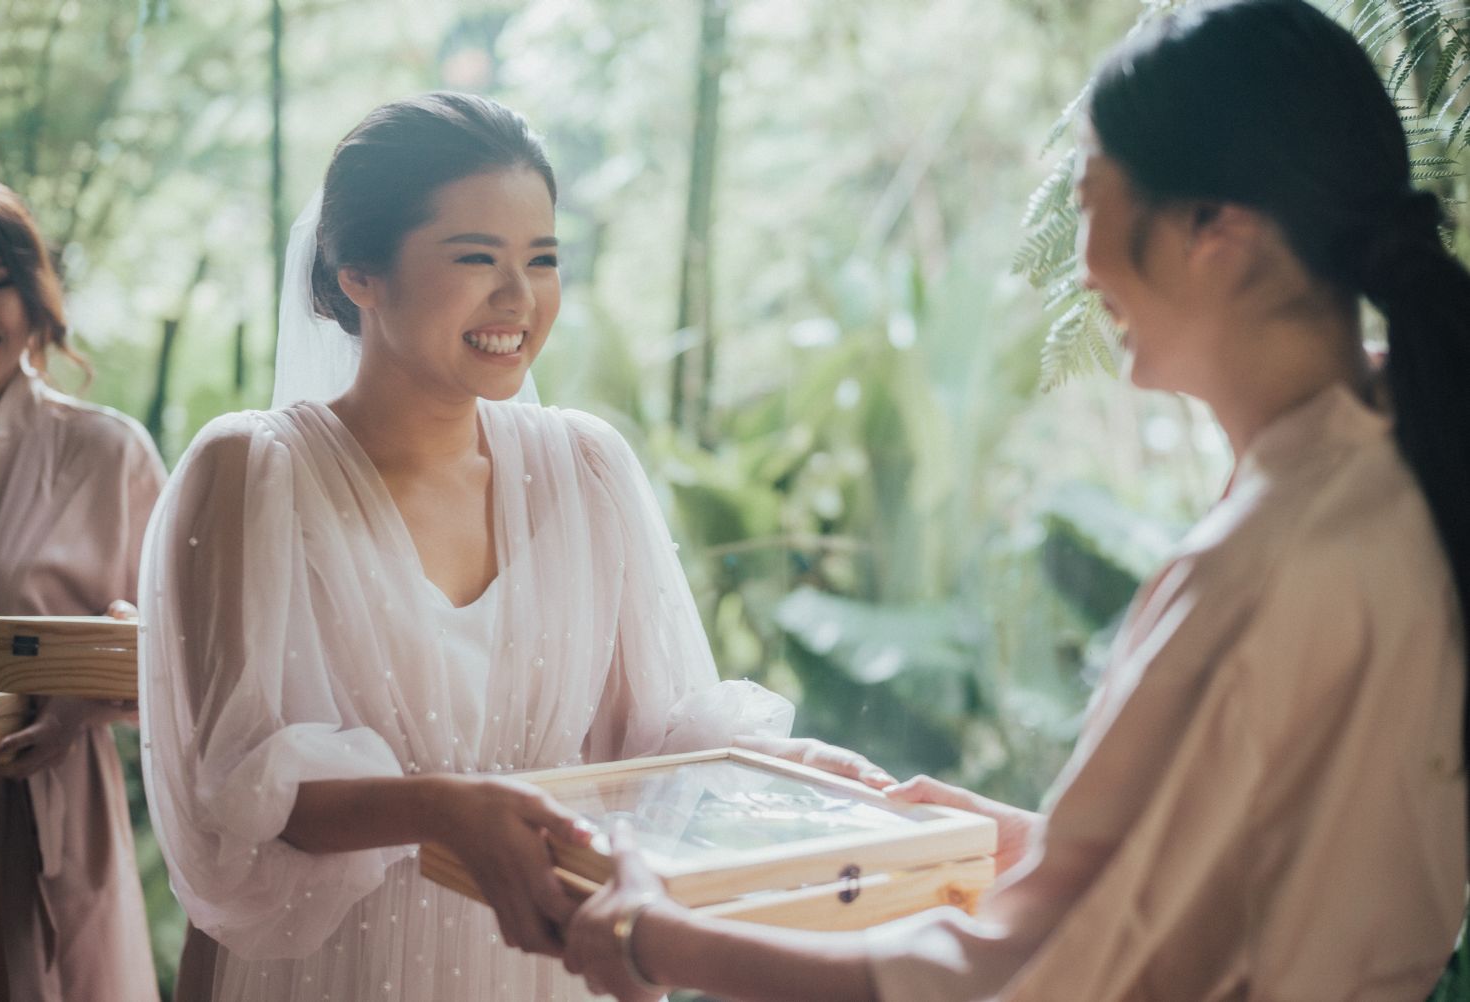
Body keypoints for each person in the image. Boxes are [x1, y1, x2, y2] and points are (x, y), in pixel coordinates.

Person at [560, 1, 1470, 999]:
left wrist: (660, 939)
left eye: (1093, 206)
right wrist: (1027, 843)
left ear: (1217, 228)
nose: (1081, 267)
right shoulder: (1404, 461)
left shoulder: (1264, 559)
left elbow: (1020, 978)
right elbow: (1276, 874)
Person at [138, 93, 880, 1002]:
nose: (519, 300)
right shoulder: (252, 471)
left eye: (543, 261)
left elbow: (651, 738)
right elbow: (239, 789)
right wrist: (447, 810)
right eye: (477, 260)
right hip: (338, 966)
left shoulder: (588, 467)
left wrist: (794, 773)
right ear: (359, 273)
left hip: (545, 957)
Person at [0, 176, 163, 1000]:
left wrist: (81, 700)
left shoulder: (106, 454)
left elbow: (187, 655)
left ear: (34, 290)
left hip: (42, 814)